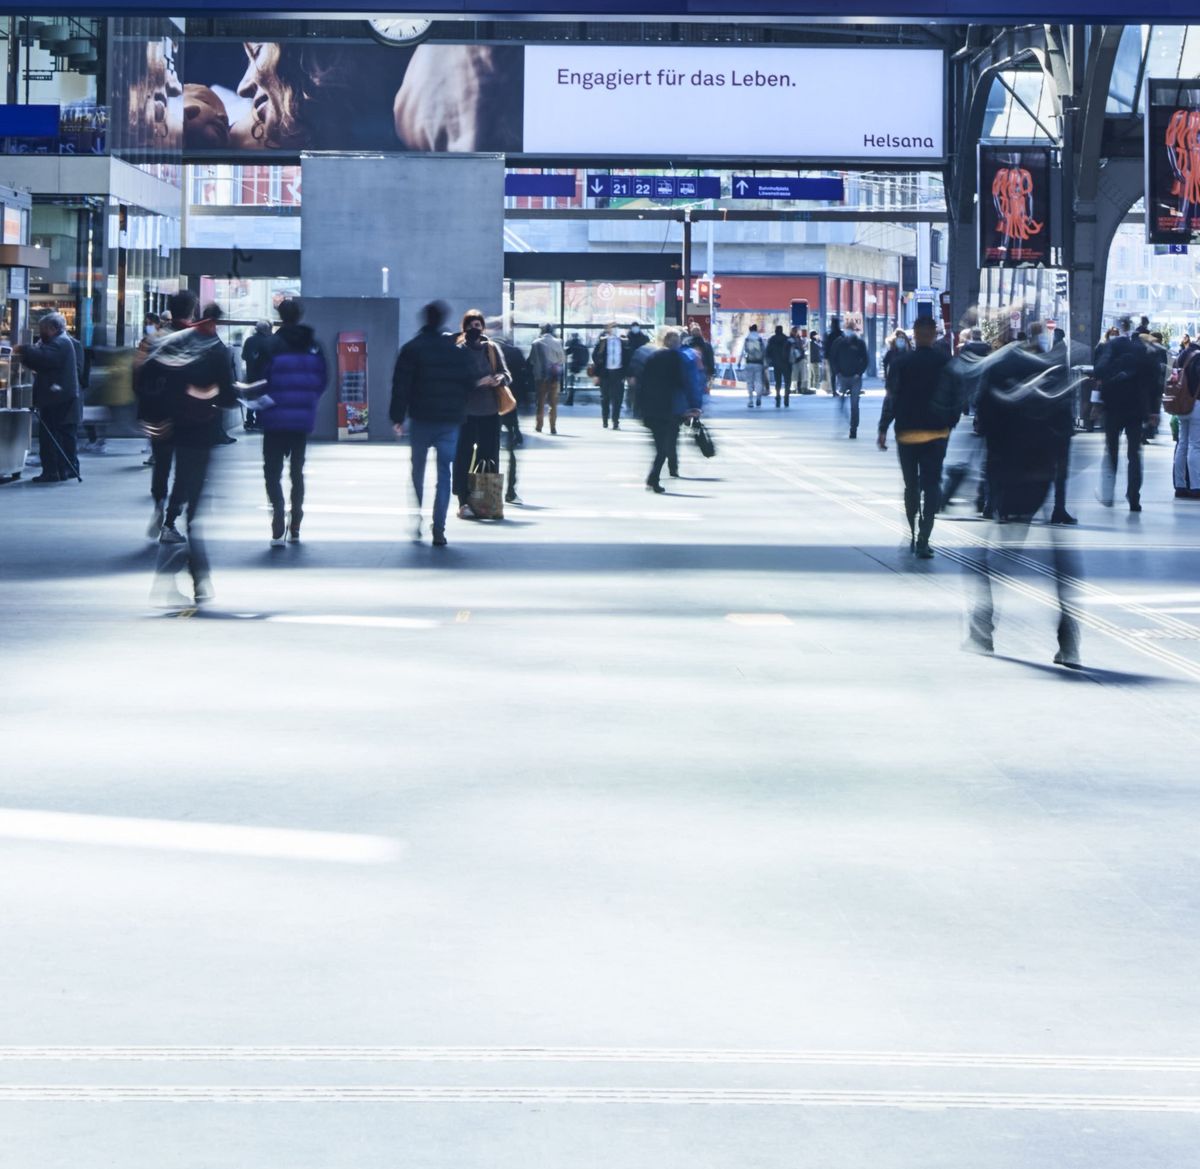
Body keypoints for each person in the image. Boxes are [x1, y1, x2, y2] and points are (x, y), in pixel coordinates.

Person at [968, 334, 1082, 668]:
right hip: (1041, 479)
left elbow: (982, 426)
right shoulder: (1056, 375)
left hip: (1005, 478)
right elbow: (1066, 435)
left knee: (986, 557)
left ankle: (982, 631)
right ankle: (1069, 640)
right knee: (1059, 563)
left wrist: (983, 484)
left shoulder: (996, 371)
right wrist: (1059, 494)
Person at [145, 301, 236, 606]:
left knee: (178, 483)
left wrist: (159, 411)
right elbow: (227, 396)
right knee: (194, 506)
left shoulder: (174, 341)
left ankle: (170, 520)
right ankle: (193, 576)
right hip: (200, 433)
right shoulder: (216, 350)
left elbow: (147, 375)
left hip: (174, 428)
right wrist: (210, 395)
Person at [391, 301, 474, 546]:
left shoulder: (412, 349)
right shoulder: (456, 352)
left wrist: (397, 417)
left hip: (421, 419)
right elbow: (468, 383)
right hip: (449, 421)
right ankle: (439, 527)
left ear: (424, 319)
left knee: (417, 471)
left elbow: (400, 386)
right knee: (444, 474)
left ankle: (417, 517)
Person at [876, 316, 955, 558]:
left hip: (907, 432)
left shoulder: (901, 363)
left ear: (915, 335)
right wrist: (949, 422)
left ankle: (911, 532)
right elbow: (956, 396)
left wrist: (883, 428)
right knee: (932, 484)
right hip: (936, 433)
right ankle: (924, 537)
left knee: (911, 485)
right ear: (933, 334)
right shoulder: (945, 362)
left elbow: (891, 397)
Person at [257, 298, 326, 546]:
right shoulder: (314, 345)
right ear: (300, 315)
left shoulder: (271, 344)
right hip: (301, 420)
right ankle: (296, 519)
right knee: (297, 471)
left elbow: (260, 380)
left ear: (280, 316)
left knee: (272, 471)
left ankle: (277, 510)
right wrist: (308, 401)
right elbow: (322, 379)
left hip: (274, 419)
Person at [1094, 315, 1156, 512]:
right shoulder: (1142, 349)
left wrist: (1097, 402)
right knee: (1134, 455)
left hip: (1113, 408)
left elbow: (1099, 372)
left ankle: (1108, 493)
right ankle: (1134, 498)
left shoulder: (1110, 347)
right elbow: (1152, 382)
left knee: (1111, 451)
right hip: (1136, 409)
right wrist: (1153, 411)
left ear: (1119, 327)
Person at [454, 308, 512, 518]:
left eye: (477, 325)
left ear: (483, 328)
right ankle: (463, 501)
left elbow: (506, 374)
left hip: (490, 410)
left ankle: (488, 499)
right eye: (470, 326)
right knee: (463, 456)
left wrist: (499, 379)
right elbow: (454, 381)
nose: (474, 329)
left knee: (490, 455)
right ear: (464, 328)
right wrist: (477, 382)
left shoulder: (492, 348)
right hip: (466, 413)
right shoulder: (459, 350)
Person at [18, 312, 80, 483]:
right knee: (58, 434)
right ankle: (63, 469)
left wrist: (23, 349)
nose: (41, 333)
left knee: (51, 435)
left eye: (43, 329)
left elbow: (43, 358)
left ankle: (54, 471)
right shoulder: (61, 342)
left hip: (57, 397)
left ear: (53, 328)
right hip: (58, 396)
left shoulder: (60, 343)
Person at [639, 329, 702, 494]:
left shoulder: (652, 357)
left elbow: (642, 382)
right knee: (664, 447)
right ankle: (654, 479)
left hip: (650, 409)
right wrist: (693, 406)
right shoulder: (677, 358)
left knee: (661, 446)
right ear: (677, 343)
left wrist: (639, 407)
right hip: (667, 408)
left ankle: (654, 478)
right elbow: (686, 383)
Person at [829, 321, 869, 438]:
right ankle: (844, 422)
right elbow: (833, 359)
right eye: (847, 328)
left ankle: (853, 428)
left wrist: (859, 373)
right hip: (842, 377)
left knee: (854, 404)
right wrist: (838, 373)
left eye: (851, 329)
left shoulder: (859, 343)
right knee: (841, 402)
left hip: (855, 378)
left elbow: (865, 360)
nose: (849, 331)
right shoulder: (839, 343)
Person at [1173, 334, 1200, 498]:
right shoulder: (1198, 357)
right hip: (1197, 404)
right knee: (1195, 445)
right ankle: (1197, 486)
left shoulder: (1182, 355)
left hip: (1181, 405)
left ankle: (1180, 485)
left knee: (1182, 444)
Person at [529, 324, 565, 435]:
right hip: (554, 377)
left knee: (540, 402)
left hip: (540, 377)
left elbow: (531, 360)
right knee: (553, 403)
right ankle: (553, 427)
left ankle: (539, 426)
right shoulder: (558, 342)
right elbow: (562, 359)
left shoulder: (536, 343)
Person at [591, 322, 628, 429]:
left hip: (618, 373)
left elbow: (627, 358)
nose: (615, 330)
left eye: (616, 328)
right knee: (605, 398)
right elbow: (595, 356)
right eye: (612, 328)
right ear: (608, 329)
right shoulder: (603, 341)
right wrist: (597, 374)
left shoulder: (623, 342)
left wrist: (626, 374)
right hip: (605, 373)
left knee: (617, 398)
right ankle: (605, 420)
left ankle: (615, 421)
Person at [240, 319, 274, 431]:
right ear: (267, 329)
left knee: (251, 397)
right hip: (264, 374)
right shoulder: (269, 341)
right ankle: (260, 421)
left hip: (251, 373)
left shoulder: (249, 340)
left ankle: (249, 421)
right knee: (262, 397)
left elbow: (244, 356)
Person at [683, 324, 715, 396]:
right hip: (704, 369)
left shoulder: (687, 344)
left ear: (691, 333)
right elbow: (710, 359)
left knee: (692, 388)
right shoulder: (706, 344)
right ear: (700, 332)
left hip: (690, 369)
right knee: (703, 388)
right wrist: (711, 371)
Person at [740, 324, 767, 408]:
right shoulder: (759, 339)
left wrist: (739, 361)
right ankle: (758, 397)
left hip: (749, 363)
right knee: (758, 381)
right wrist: (765, 363)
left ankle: (750, 400)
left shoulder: (747, 339)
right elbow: (764, 351)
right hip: (758, 363)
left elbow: (743, 351)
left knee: (750, 382)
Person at [766, 324, 792, 408]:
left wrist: (769, 360)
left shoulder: (772, 339)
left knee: (778, 382)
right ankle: (786, 398)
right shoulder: (787, 339)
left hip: (776, 364)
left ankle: (778, 397)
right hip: (787, 364)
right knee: (787, 381)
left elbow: (768, 352)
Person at [565, 332, 588, 405]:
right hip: (582, 367)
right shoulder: (583, 346)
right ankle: (570, 399)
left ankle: (570, 400)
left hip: (574, 367)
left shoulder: (573, 345)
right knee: (574, 384)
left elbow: (566, 352)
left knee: (571, 384)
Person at [822, 317, 843, 393]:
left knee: (833, 374)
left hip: (832, 357)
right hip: (840, 357)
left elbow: (826, 346)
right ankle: (841, 388)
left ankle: (834, 390)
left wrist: (826, 356)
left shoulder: (830, 335)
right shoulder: (841, 334)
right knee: (840, 373)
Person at [788, 327, 809, 397]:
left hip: (798, 359)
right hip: (795, 359)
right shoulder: (792, 339)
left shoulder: (797, 338)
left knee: (799, 375)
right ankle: (796, 388)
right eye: (795, 331)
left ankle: (798, 388)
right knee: (796, 375)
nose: (796, 332)